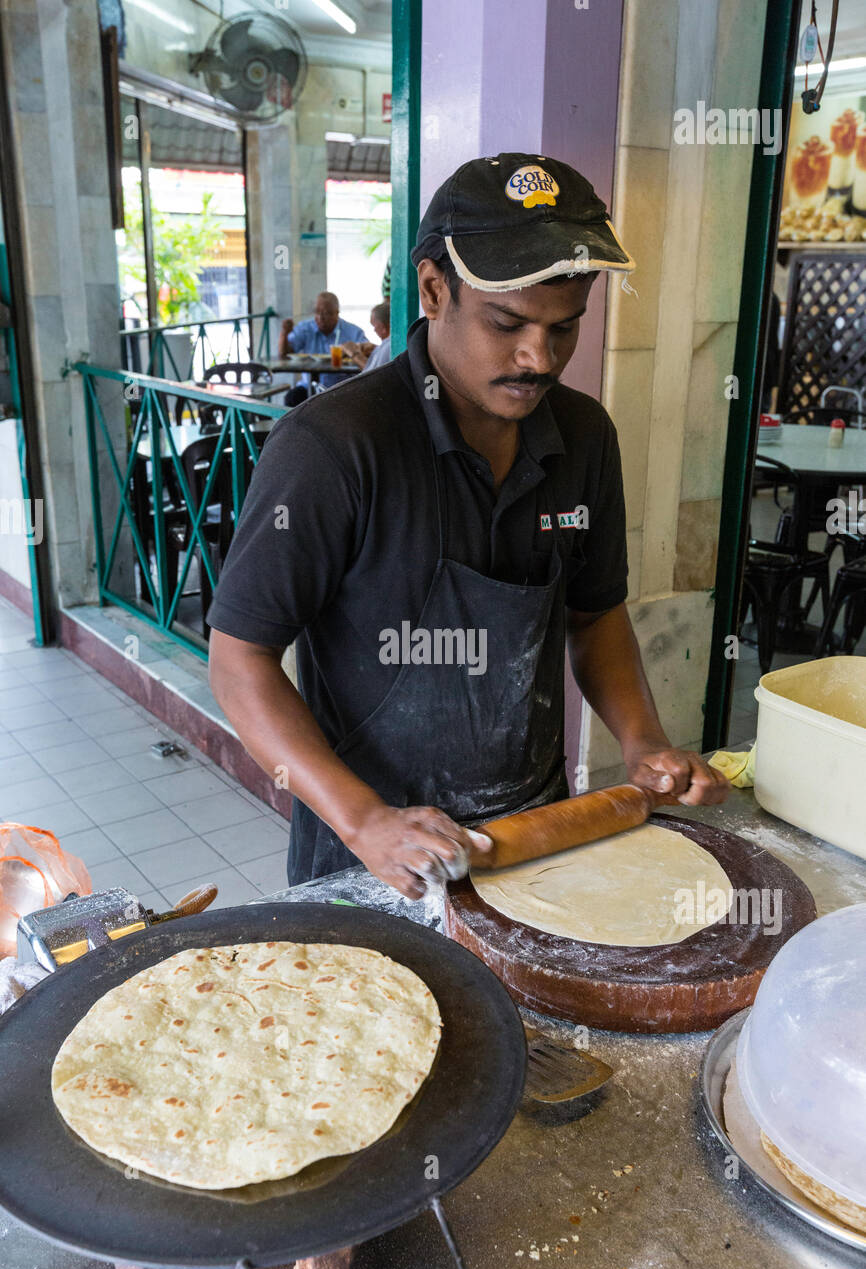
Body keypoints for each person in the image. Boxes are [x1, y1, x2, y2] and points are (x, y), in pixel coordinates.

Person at [208, 152, 728, 896]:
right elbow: (239, 662)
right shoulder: (335, 446)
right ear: (432, 290)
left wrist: (643, 742)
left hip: (532, 837)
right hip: (372, 853)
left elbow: (594, 614)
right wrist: (365, 820)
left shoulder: (583, 436)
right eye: (508, 323)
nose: (537, 358)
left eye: (565, 329)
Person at [277, 291, 367, 404]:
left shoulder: (353, 332)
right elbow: (283, 353)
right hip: (309, 387)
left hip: (341, 388)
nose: (320, 317)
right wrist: (284, 333)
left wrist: (351, 351)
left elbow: (368, 357)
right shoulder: (306, 328)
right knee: (291, 398)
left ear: (337, 313)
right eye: (317, 312)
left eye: (326, 313)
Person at [343, 302, 390, 371]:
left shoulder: (388, 346)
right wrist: (375, 348)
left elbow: (372, 374)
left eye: (374, 326)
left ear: (383, 328)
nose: (374, 330)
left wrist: (354, 353)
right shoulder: (387, 345)